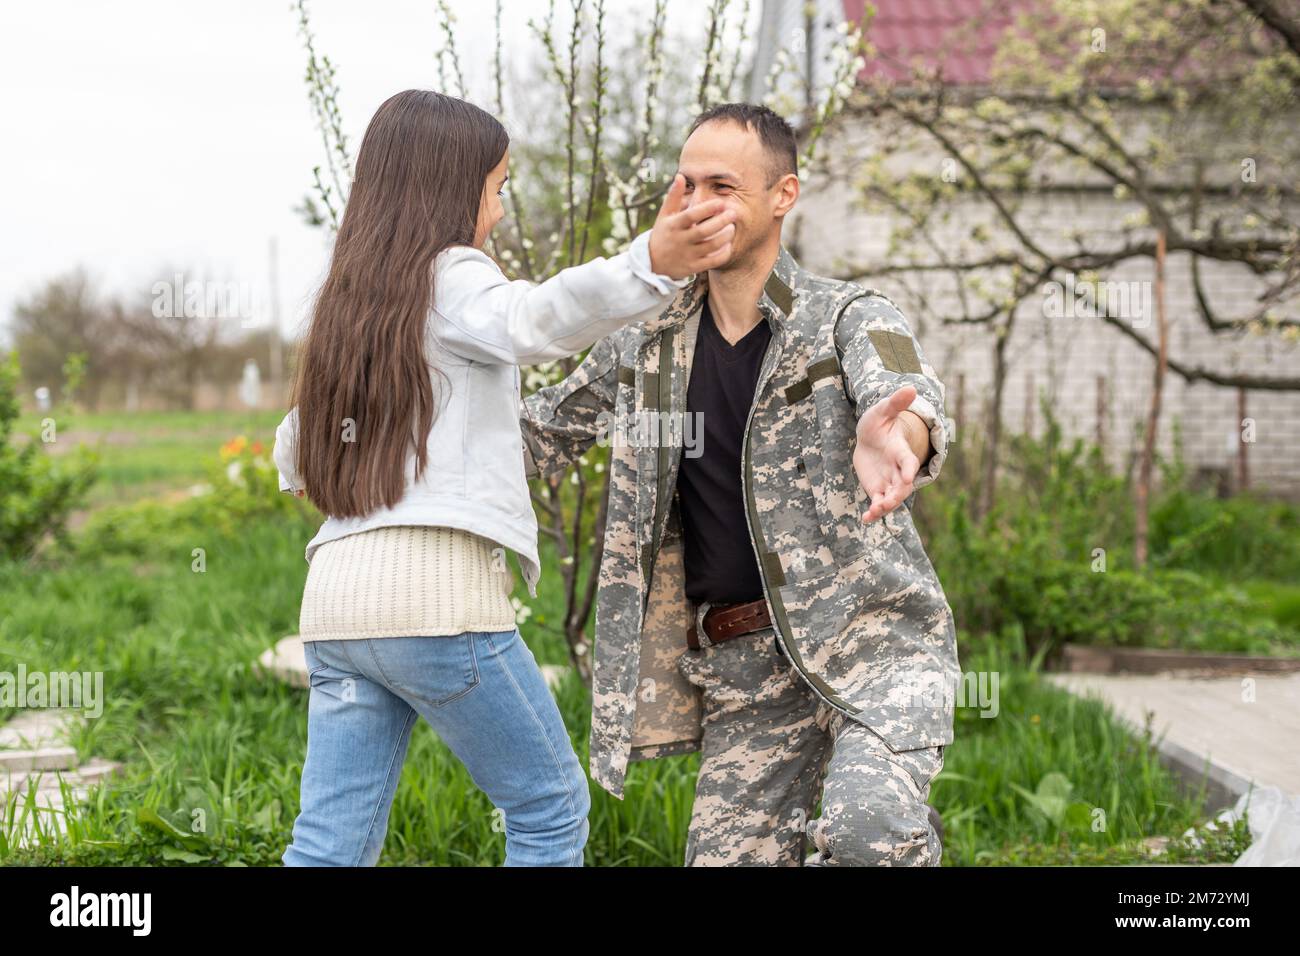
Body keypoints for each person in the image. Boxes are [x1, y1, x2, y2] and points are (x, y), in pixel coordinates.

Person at [274, 89, 736, 866]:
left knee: (329, 842)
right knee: (549, 807)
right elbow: (530, 321)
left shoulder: (349, 300)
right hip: (435, 602)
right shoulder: (453, 274)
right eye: (497, 188)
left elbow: (293, 450)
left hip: (336, 607)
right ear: (450, 188)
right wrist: (649, 264)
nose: (497, 211)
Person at [521, 102, 960, 866]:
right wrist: (377, 428)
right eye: (685, 185)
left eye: (721, 185)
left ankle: (896, 843)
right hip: (744, 669)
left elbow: (907, 392)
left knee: (865, 835)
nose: (697, 204)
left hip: (873, 643)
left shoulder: (847, 315)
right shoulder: (644, 346)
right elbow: (533, 435)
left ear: (783, 195)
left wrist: (900, 435)